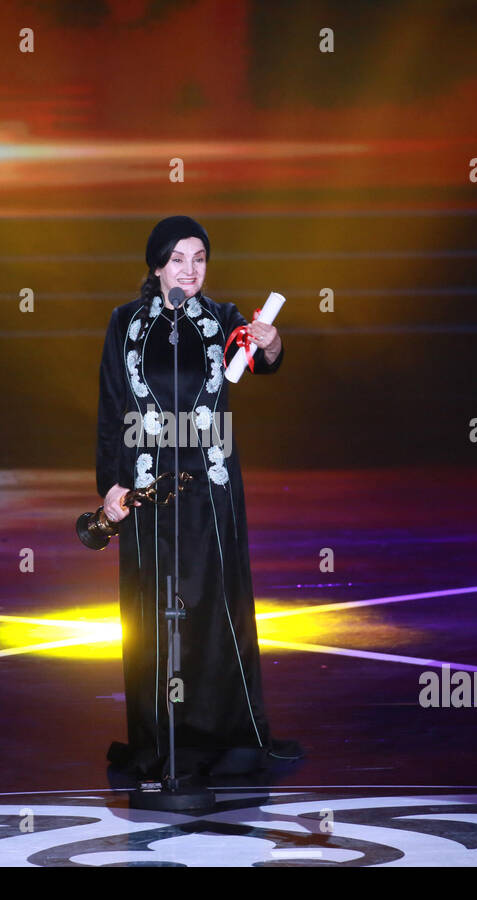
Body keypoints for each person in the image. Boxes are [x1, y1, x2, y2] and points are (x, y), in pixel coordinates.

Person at [96, 214, 301, 778]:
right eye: (179, 259)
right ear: (157, 264)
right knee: (151, 612)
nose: (190, 270)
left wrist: (272, 339)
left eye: (200, 259)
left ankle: (225, 727)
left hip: (209, 485)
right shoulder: (126, 324)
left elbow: (262, 363)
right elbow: (113, 407)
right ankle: (158, 734)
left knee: (215, 606)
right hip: (146, 484)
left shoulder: (223, 319)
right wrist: (109, 486)